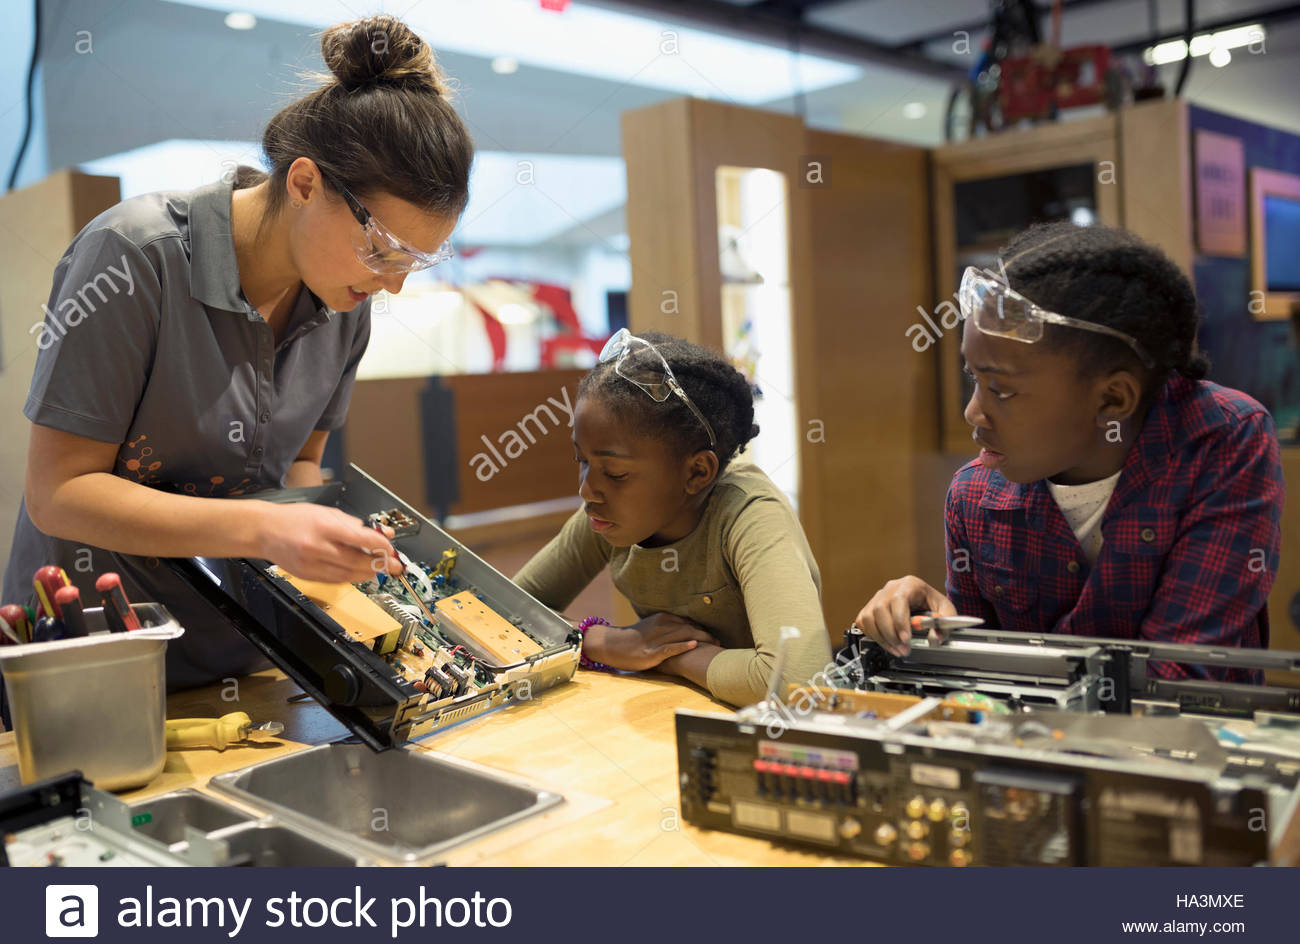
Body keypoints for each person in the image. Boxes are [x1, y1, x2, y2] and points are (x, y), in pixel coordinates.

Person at [1, 14, 473, 709]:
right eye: (383, 250)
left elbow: (299, 468)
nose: (394, 282)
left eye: (417, 261)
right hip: (95, 668)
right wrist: (263, 526)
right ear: (307, 184)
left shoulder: (343, 302)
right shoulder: (136, 257)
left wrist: (327, 534)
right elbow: (59, 492)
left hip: (250, 662)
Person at [854, 221, 1283, 682]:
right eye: (973, 379)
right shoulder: (973, 495)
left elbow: (1179, 679)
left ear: (1113, 399)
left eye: (1002, 389)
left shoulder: (1222, 441)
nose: (972, 413)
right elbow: (977, 690)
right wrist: (927, 631)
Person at [513, 330, 832, 707]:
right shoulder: (606, 512)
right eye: (582, 461)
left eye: (614, 473)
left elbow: (799, 683)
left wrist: (674, 658)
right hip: (668, 715)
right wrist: (601, 641)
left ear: (697, 473)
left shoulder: (749, 513)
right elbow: (499, 611)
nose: (587, 490)